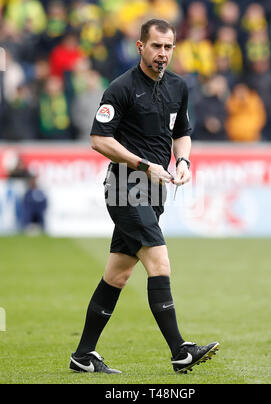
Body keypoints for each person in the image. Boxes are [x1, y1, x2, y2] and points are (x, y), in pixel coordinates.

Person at [70, 19, 219, 375]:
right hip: (124, 187)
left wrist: (182, 161)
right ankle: (180, 351)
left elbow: (182, 132)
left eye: (168, 47)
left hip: (155, 191)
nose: (163, 53)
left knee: (117, 276)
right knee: (160, 264)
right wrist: (143, 164)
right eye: (156, 46)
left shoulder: (179, 87)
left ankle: (83, 354)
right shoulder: (121, 88)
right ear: (141, 47)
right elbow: (98, 139)